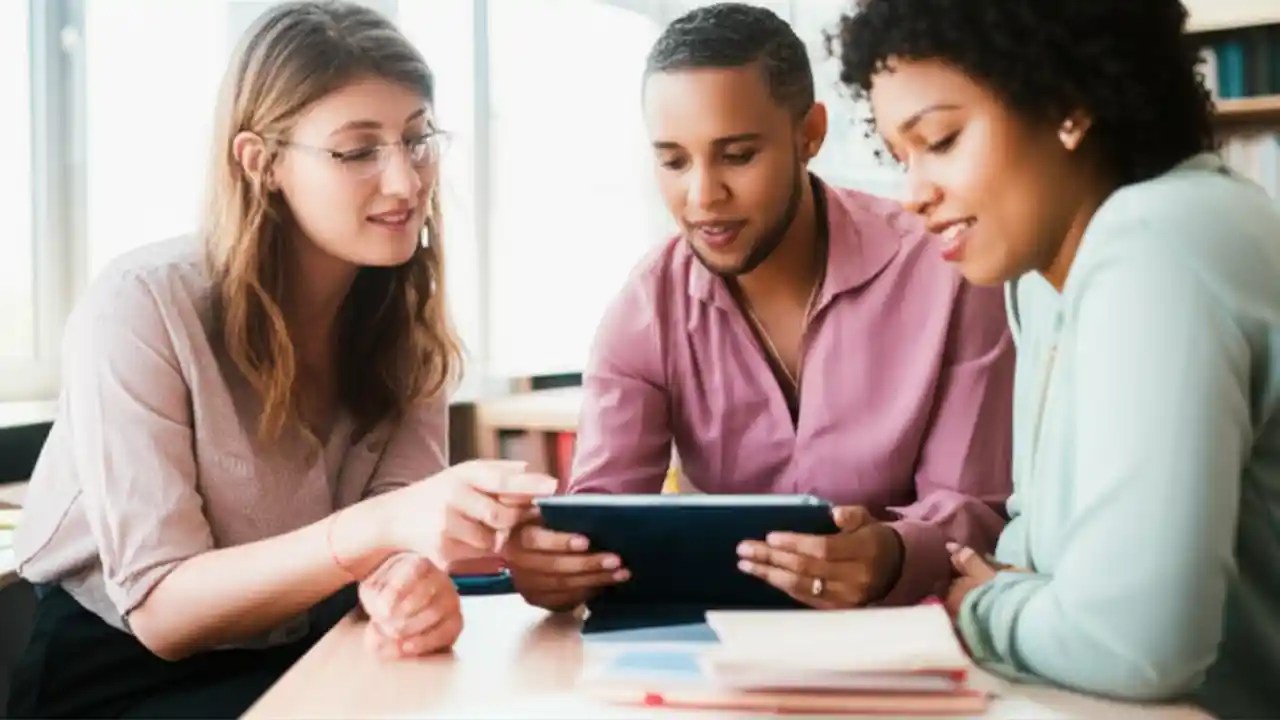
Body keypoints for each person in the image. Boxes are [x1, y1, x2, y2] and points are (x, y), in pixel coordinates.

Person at [8, 2, 557, 716]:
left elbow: (398, 548)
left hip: (315, 648)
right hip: (122, 674)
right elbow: (163, 611)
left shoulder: (408, 326)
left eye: (418, 139)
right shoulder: (141, 306)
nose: (406, 181)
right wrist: (384, 531)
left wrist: (411, 589)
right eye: (359, 150)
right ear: (260, 162)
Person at [833, 0, 1280, 715]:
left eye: (941, 139)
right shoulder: (1042, 279)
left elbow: (1133, 645)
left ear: (1066, 102)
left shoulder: (1159, 240)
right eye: (899, 157)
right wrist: (1022, 593)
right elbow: (1034, 550)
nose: (913, 194)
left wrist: (982, 608)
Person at [505, 3, 1014, 616]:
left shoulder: (947, 272)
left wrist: (893, 555)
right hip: (719, 654)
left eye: (738, 155)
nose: (702, 197)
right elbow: (599, 519)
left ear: (809, 134)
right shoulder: (644, 310)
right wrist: (554, 567)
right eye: (673, 160)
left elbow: (979, 509)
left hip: (909, 640)